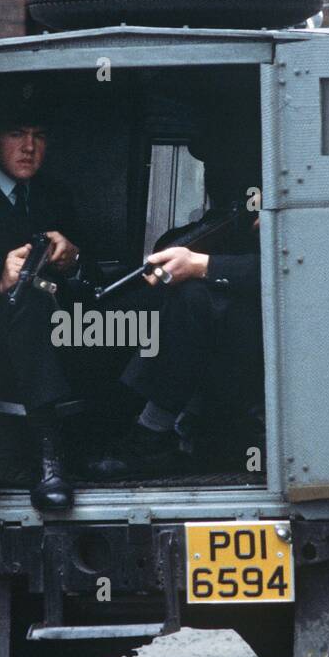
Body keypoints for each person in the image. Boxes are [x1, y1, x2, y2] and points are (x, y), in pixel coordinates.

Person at [87, 151, 264, 480]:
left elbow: (289, 270)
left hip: (270, 346)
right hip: (225, 346)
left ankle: (152, 433)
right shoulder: (227, 222)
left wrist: (202, 266)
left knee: (194, 297)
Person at [0, 92, 84, 511]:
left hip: (58, 326)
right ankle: (51, 455)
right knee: (26, 305)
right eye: (16, 134)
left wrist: (72, 258)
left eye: (39, 136)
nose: (29, 147)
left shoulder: (55, 196)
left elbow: (86, 275)